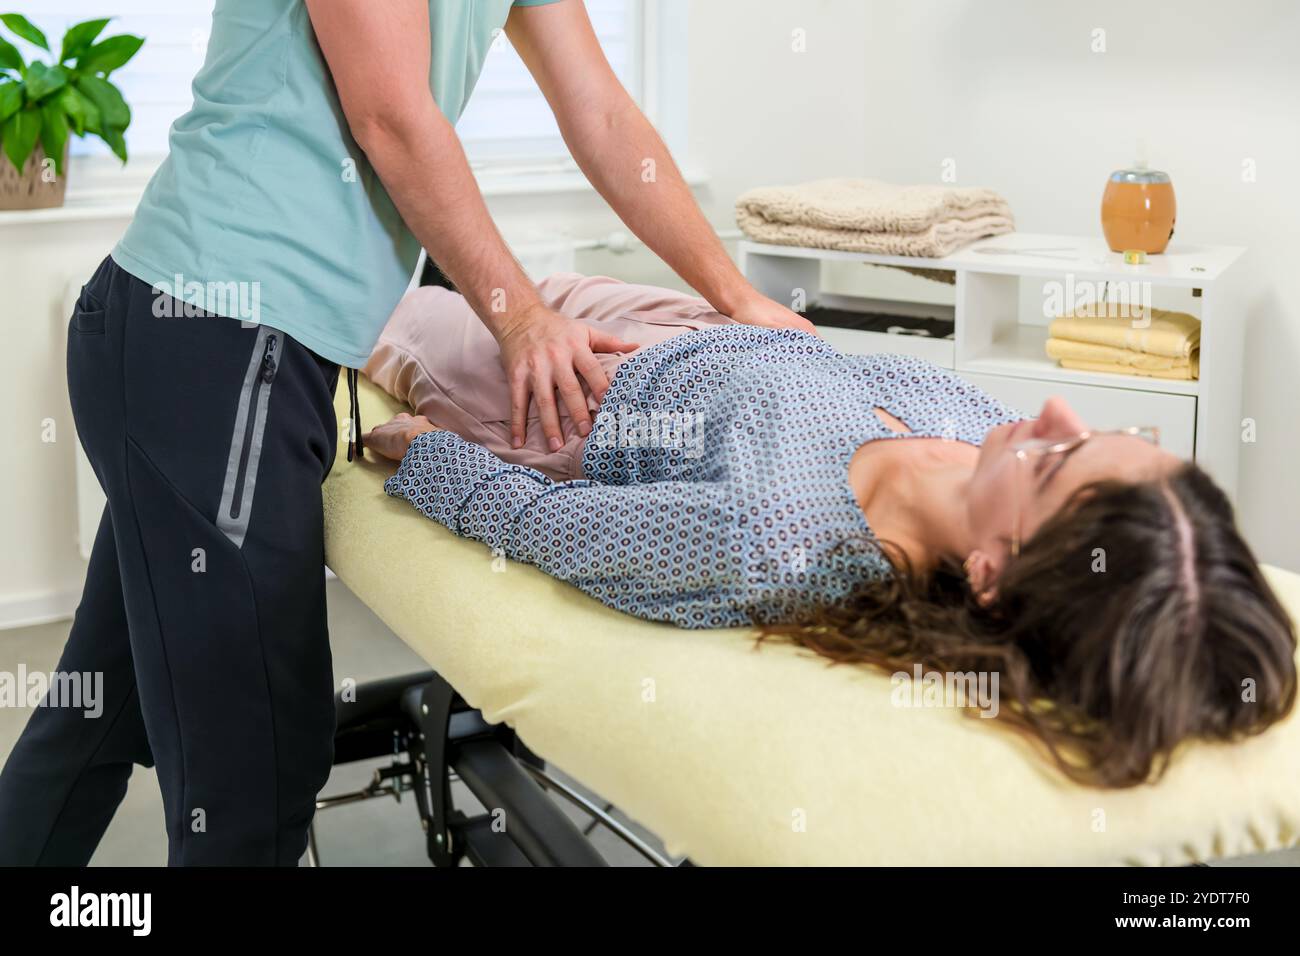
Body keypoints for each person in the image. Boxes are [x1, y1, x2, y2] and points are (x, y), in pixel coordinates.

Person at [0, 0, 807, 866]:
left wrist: (737, 295)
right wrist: (522, 319)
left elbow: (600, 108)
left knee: (97, 714)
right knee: (254, 777)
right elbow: (390, 114)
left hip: (219, 352)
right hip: (216, 335)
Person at [363, 273, 1299, 788]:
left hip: (554, 398)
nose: (1053, 410)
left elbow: (541, 520)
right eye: (1089, 434)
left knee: (374, 296)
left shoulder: (773, 540)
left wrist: (424, 456)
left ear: (989, 573)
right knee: (473, 255)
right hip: (680, 322)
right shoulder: (980, 440)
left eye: (1058, 460)